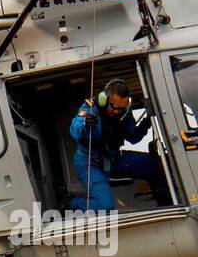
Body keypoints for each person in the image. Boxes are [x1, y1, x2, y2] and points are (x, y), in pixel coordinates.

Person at [69, 79, 163, 212]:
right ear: (104, 99)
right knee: (105, 207)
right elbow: (74, 129)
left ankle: (165, 203)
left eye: (120, 108)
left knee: (154, 165)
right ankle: (71, 203)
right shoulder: (91, 107)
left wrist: (148, 120)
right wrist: (85, 124)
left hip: (113, 160)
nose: (116, 111)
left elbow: (134, 137)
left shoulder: (124, 112)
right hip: (89, 164)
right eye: (113, 106)